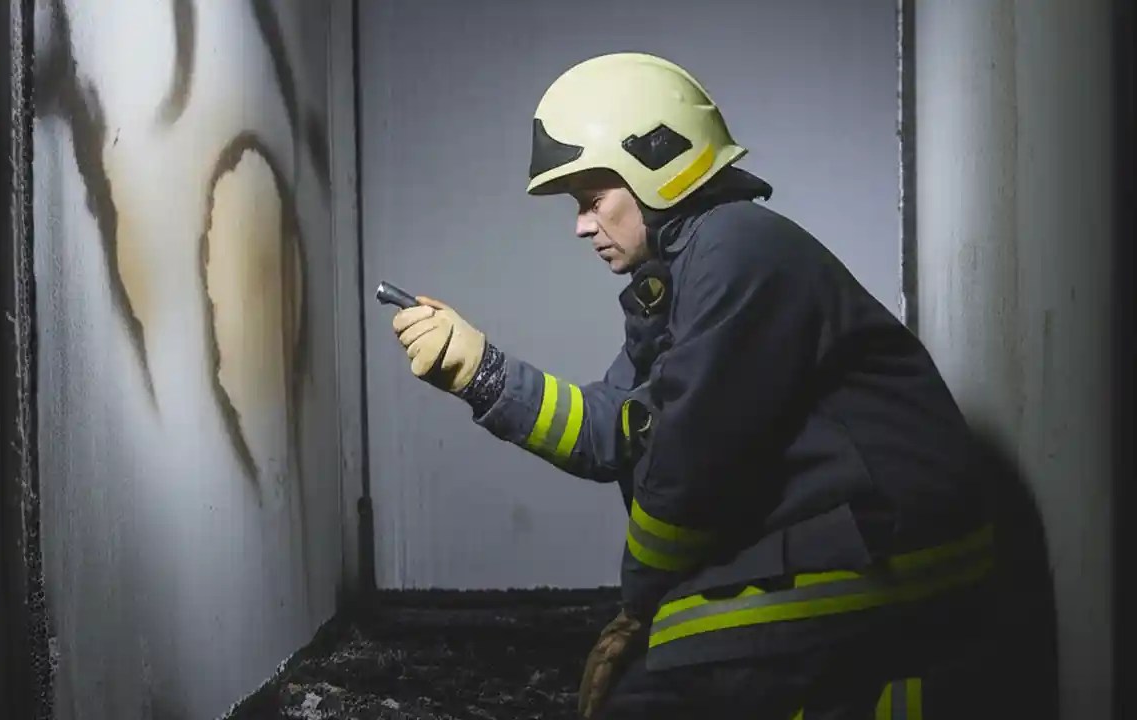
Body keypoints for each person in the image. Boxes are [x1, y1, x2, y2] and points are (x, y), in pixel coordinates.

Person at [390, 52, 996, 719]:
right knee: (670, 647)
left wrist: (636, 609)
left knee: (654, 678)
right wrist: (483, 374)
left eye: (592, 200)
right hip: (857, 543)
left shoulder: (739, 250)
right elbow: (609, 428)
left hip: (899, 554)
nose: (581, 225)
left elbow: (686, 474)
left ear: (658, 165)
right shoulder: (691, 270)